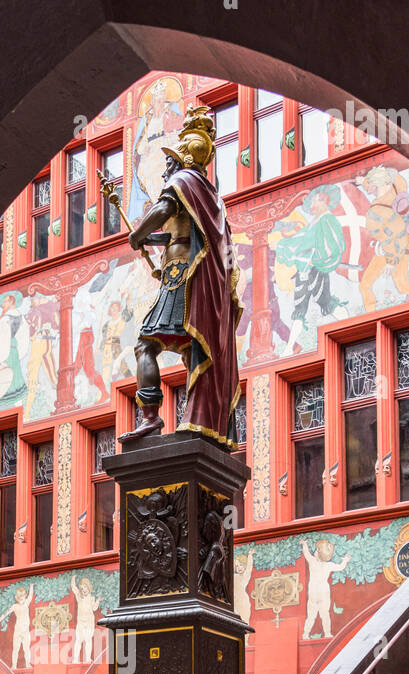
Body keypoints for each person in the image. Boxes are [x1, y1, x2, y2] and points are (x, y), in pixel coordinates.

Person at [119, 105, 241, 447]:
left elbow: (161, 210)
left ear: (184, 158)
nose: (166, 169)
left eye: (170, 160)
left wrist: (138, 233)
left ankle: (150, 416)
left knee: (146, 343)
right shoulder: (210, 197)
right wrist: (147, 237)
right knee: (192, 351)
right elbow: (180, 234)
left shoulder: (182, 181)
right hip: (195, 276)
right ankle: (198, 417)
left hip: (180, 278)